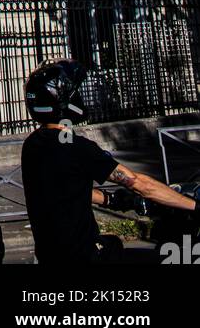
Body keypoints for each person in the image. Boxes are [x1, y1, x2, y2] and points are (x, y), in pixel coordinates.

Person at [21, 59, 196, 265]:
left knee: (113, 243)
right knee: (178, 258)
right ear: (64, 101)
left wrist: (113, 200)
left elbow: (65, 189)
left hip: (51, 256)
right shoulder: (78, 148)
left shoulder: (32, 145)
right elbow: (140, 183)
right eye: (77, 92)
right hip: (86, 258)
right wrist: (193, 205)